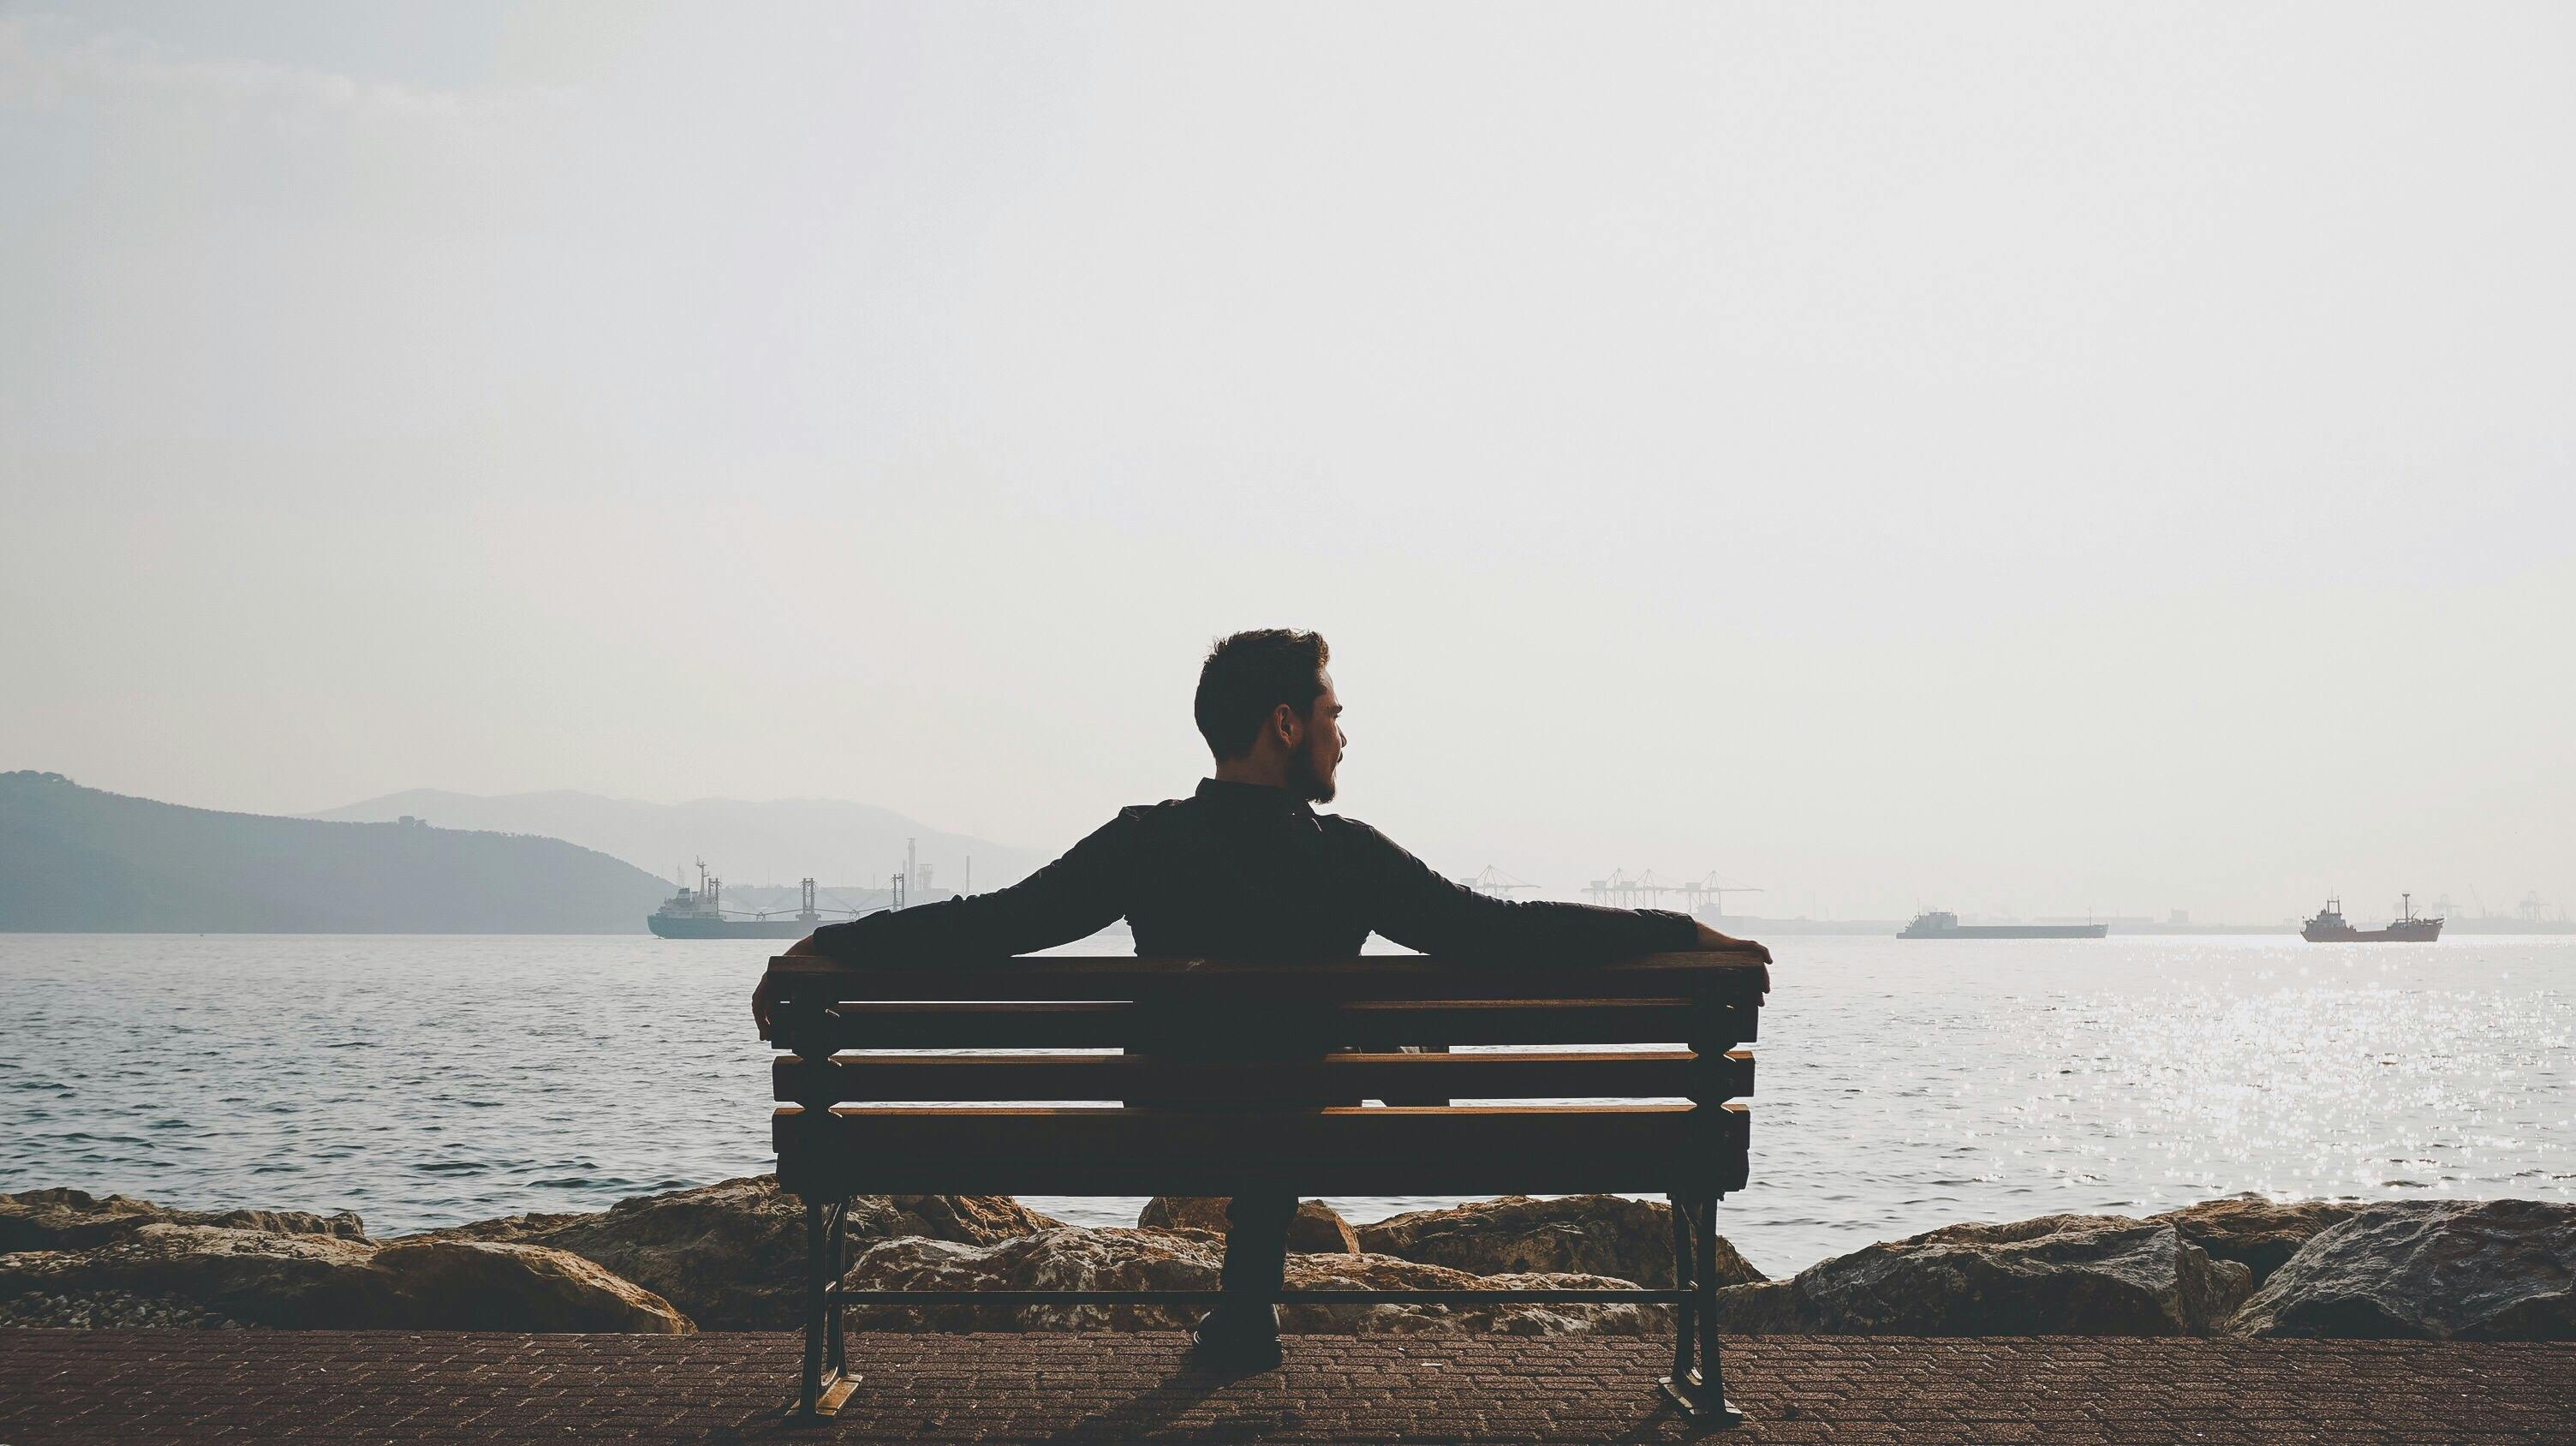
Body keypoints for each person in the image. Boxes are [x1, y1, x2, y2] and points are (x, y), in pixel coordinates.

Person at [753, 628, 1768, 1370]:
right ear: (1282, 723)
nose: (1339, 738)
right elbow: (1501, 930)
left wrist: (827, 946)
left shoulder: (1142, 840)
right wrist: (1674, 935)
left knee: (1263, 1072)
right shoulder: (1346, 855)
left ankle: (1242, 1322)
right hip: (1304, 1131)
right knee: (1297, 1077)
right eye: (1330, 715)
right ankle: (1244, 1314)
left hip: (1163, 1124)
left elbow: (995, 922)